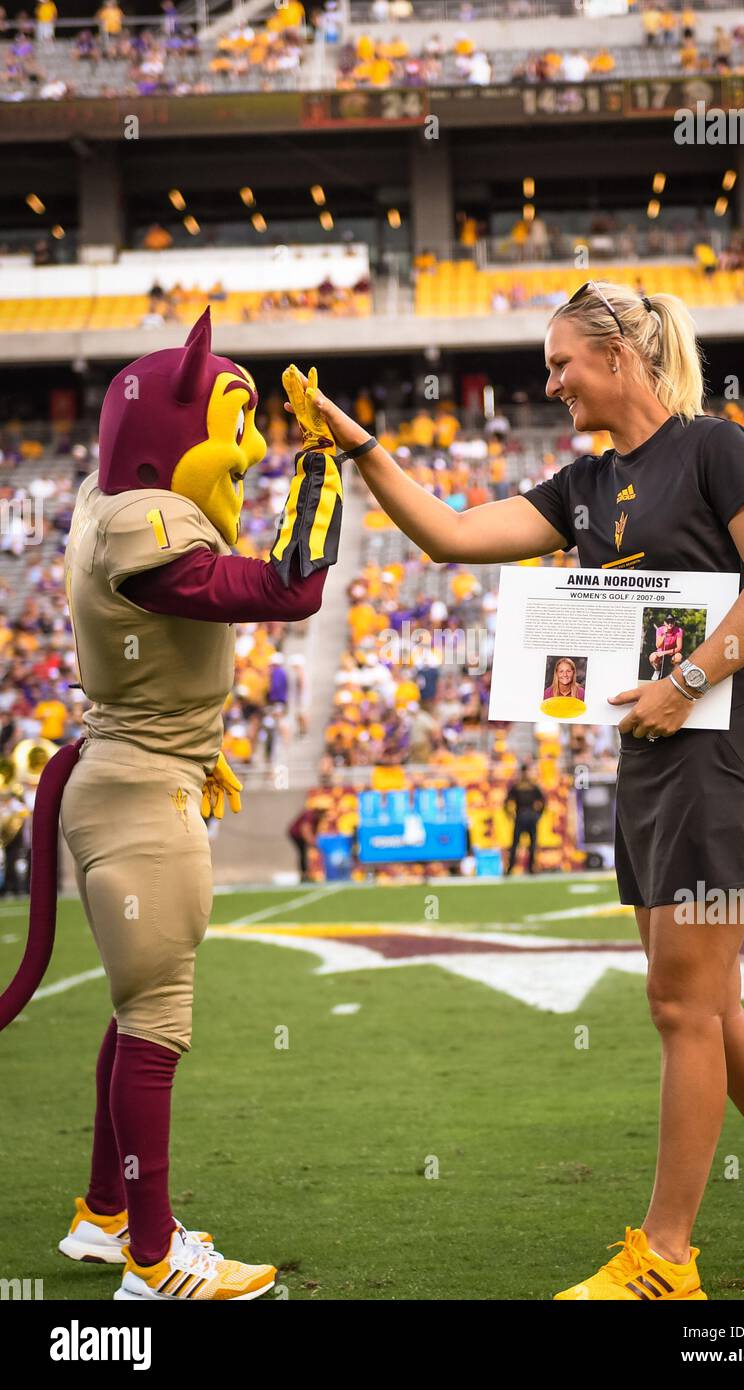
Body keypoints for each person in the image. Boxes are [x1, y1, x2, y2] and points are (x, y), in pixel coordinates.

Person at [283, 280, 744, 1303]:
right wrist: (359, 447)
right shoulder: (583, 482)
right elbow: (450, 535)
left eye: (560, 362)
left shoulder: (715, 443)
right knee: (706, 1006)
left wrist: (684, 681)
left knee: (681, 1004)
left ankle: (664, 1257)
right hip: (653, 752)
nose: (548, 382)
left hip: (716, 747)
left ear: (620, 357)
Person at [0, 313, 343, 1301]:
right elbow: (284, 589)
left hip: (142, 770)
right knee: (155, 1024)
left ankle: (108, 1216)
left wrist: (198, 746)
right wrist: (320, 474)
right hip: (140, 792)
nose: (248, 451)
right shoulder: (139, 520)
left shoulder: (112, 506)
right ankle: (153, 1260)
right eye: (234, 423)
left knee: (133, 1013)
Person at [504, 762, 545, 874]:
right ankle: (514, 868)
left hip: (525, 815)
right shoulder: (525, 785)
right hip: (524, 815)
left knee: (529, 844)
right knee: (518, 844)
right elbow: (507, 802)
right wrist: (538, 814)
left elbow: (543, 801)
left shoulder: (524, 785)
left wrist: (538, 814)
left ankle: (528, 868)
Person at [648, 613, 683, 680]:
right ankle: (657, 670)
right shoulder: (660, 630)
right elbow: (658, 645)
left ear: (674, 622)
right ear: (664, 623)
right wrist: (664, 634)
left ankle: (674, 673)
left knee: (679, 657)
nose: (670, 624)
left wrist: (665, 652)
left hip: (672, 654)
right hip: (660, 654)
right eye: (668, 622)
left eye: (672, 622)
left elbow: (679, 648)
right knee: (653, 657)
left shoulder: (679, 631)